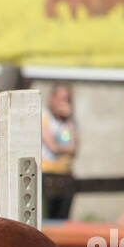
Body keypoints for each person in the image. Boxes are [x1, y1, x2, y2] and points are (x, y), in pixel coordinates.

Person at [41, 83, 77, 221]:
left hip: (65, 176)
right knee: (47, 220)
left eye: (67, 100)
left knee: (63, 220)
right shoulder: (44, 117)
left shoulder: (68, 122)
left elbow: (75, 149)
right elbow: (53, 147)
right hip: (48, 176)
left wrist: (69, 120)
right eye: (62, 99)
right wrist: (67, 148)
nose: (65, 103)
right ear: (52, 99)